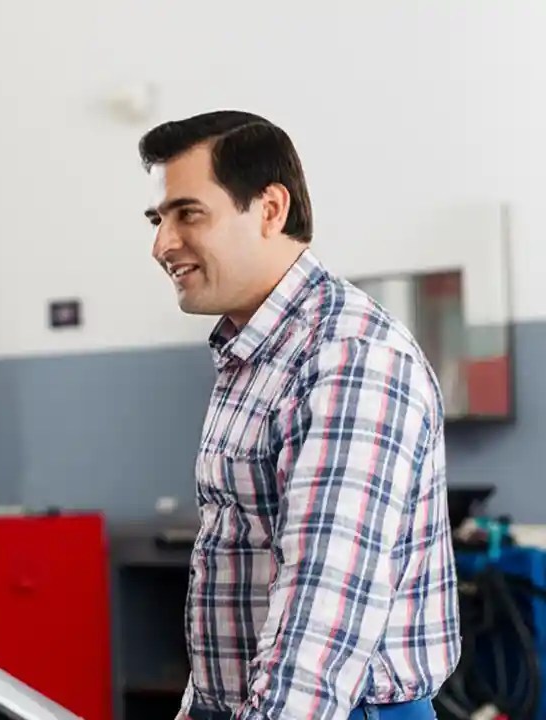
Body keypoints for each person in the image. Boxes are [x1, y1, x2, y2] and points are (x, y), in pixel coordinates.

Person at [136, 110, 460, 720]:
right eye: (158, 219)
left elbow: (320, 624)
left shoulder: (346, 359)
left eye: (187, 213)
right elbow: (233, 610)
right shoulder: (254, 352)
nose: (161, 244)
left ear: (269, 209)